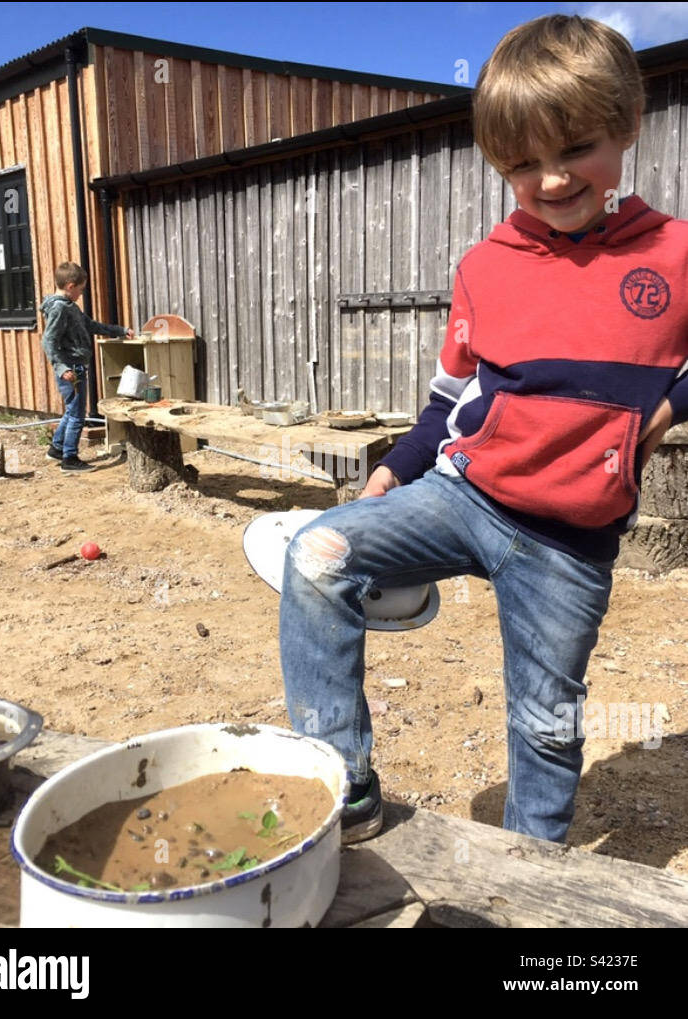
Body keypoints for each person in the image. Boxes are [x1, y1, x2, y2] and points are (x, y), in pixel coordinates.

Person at [279, 14, 688, 845]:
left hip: (569, 546)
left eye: (573, 149)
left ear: (627, 127)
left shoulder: (676, 256)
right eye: (521, 164)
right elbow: (450, 396)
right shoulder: (485, 266)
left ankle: (531, 865)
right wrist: (397, 466)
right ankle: (344, 786)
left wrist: (671, 405)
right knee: (315, 556)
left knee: (545, 725)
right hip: (465, 495)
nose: (549, 178)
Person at [40, 262, 133, 473]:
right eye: (81, 289)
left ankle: (56, 448)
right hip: (71, 369)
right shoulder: (59, 308)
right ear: (71, 286)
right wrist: (62, 368)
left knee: (71, 410)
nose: (82, 294)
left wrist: (119, 330)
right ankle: (69, 459)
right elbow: (48, 341)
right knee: (77, 415)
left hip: (75, 366)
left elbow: (91, 325)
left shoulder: (70, 307)